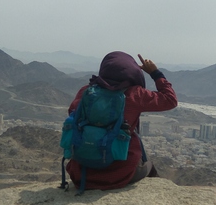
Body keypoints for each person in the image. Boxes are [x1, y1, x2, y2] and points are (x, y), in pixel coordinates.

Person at [64, 51, 177, 190]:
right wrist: (155, 73)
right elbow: (170, 100)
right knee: (149, 166)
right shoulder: (135, 94)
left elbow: (73, 115)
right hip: (120, 174)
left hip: (82, 174)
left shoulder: (87, 92)